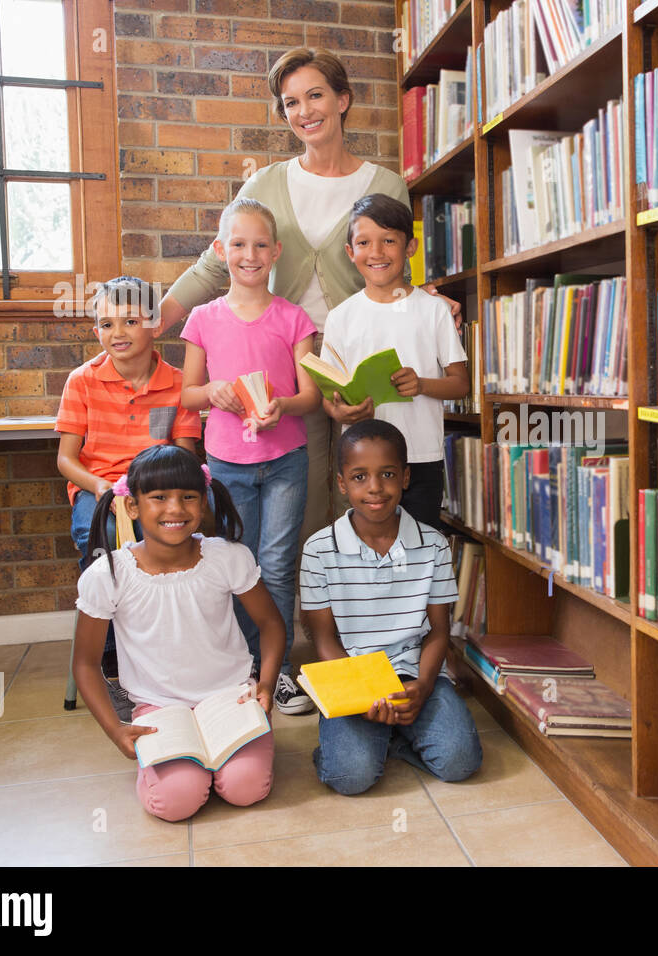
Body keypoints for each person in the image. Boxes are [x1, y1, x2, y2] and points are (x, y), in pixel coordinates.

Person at [159, 47, 460, 547]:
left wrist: (429, 297)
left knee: (361, 486)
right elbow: (216, 263)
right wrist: (157, 318)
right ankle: (307, 611)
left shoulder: (385, 183)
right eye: (291, 102)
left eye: (315, 96)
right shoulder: (265, 182)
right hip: (289, 358)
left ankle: (356, 611)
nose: (304, 112)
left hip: (360, 353)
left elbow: (396, 258)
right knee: (303, 498)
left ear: (342, 100)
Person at [72, 445, 285, 823]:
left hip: (230, 698)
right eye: (159, 498)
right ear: (133, 507)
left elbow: (270, 624)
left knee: (246, 788)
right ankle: (181, 768)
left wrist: (266, 684)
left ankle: (233, 753)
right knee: (175, 802)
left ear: (203, 503)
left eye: (188, 497)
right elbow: (86, 664)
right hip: (160, 709)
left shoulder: (226, 556)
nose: (175, 509)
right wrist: (115, 730)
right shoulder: (108, 575)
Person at [180, 197, 321, 715]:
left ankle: (276, 671)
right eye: (238, 244)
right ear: (221, 250)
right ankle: (240, 668)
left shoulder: (293, 318)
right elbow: (187, 394)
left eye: (261, 245)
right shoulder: (203, 318)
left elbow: (312, 399)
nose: (250, 254)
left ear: (277, 252)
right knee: (237, 563)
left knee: (279, 565)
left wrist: (281, 404)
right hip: (225, 463)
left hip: (286, 460)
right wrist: (214, 390)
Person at [300, 420, 482, 795]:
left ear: (405, 478)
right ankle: (379, 738)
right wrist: (361, 697)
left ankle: (394, 735)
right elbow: (323, 638)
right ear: (341, 483)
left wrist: (425, 685)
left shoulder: (432, 545)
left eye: (386, 474)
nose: (375, 488)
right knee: (351, 777)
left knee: (461, 762)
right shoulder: (319, 549)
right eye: (359, 476)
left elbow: (439, 631)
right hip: (353, 679)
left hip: (417, 674)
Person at [55, 276, 201, 721]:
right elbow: (66, 459)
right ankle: (114, 664)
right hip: (99, 488)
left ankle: (170, 653)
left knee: (164, 534)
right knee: (96, 537)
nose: (116, 332)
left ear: (155, 323)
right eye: (105, 323)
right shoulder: (82, 381)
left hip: (156, 488)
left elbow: (185, 455)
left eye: (130, 320)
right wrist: (100, 486)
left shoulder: (178, 384)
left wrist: (148, 491)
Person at [321, 193, 469, 530]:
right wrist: (340, 412)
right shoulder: (341, 317)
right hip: (362, 460)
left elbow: (460, 384)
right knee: (368, 552)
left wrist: (421, 384)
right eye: (364, 242)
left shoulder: (434, 311)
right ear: (350, 252)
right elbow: (330, 397)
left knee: (421, 551)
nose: (376, 252)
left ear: (410, 247)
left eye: (389, 240)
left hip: (419, 457)